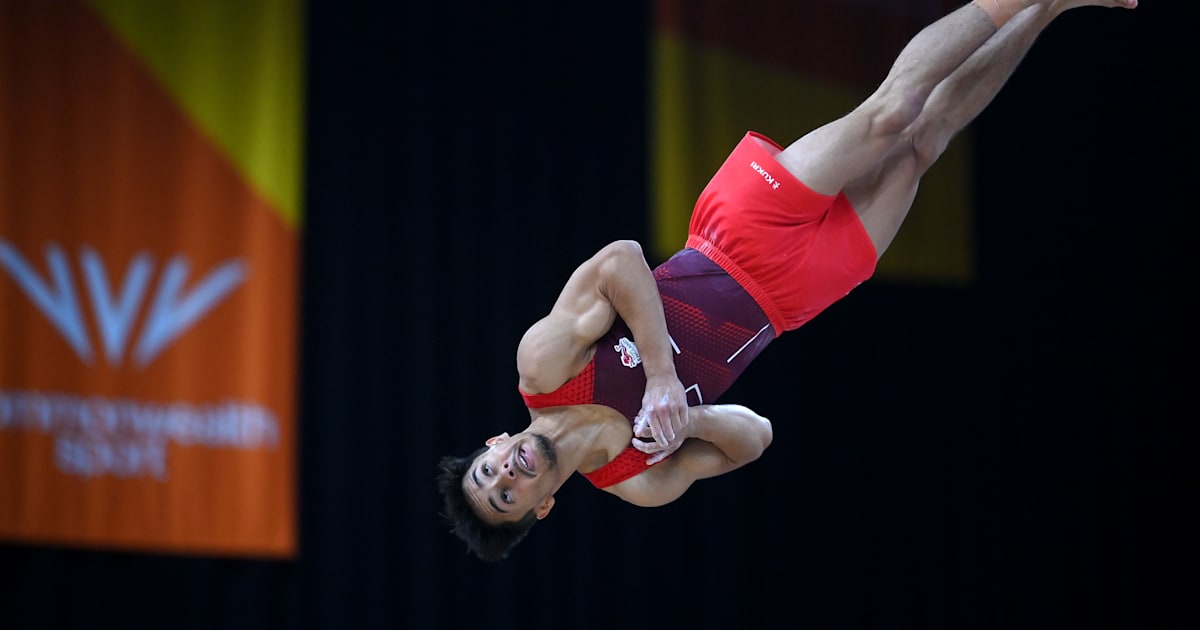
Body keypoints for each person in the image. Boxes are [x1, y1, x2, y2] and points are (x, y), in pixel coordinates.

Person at [436, 0, 1138, 562]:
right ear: (540, 508)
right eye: (505, 496)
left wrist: (657, 377)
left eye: (487, 470)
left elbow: (620, 259)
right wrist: (689, 419)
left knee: (890, 115)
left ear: (497, 441)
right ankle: (1048, 9)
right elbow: (757, 437)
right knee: (926, 142)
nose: (506, 475)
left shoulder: (543, 366)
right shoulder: (636, 480)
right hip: (789, 299)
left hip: (735, 234)